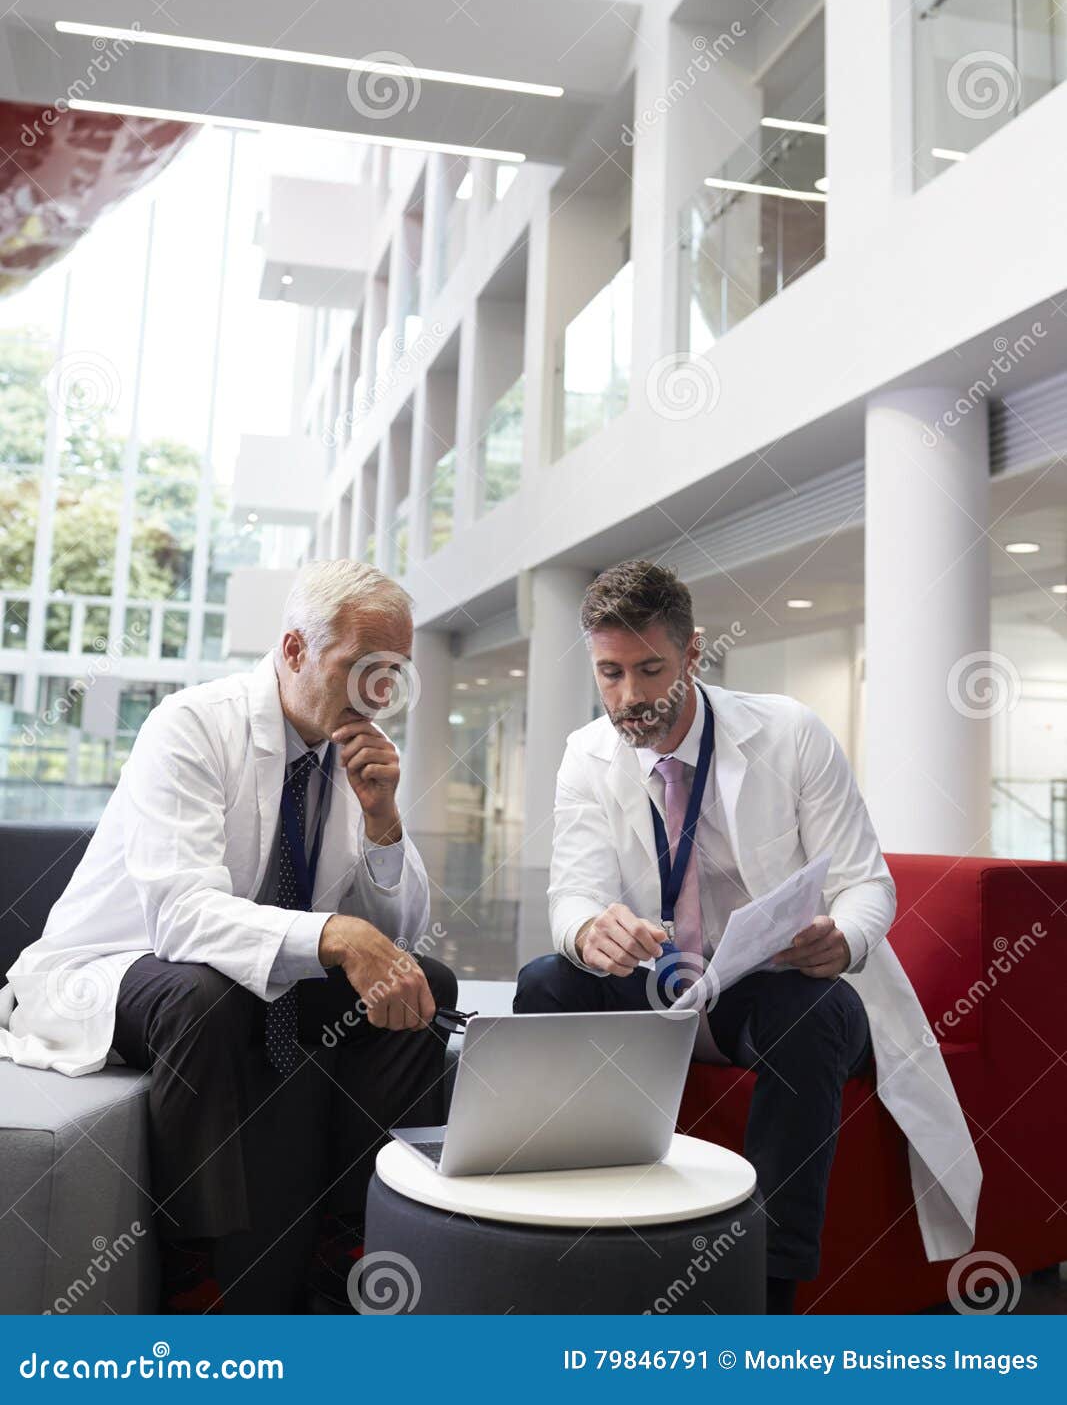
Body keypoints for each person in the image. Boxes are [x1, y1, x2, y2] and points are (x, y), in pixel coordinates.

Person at [515, 560, 981, 1313]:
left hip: (771, 992)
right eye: (609, 673)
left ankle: (764, 1287)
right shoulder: (585, 754)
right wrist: (586, 932)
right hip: (661, 987)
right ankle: (564, 1237)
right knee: (544, 980)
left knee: (813, 1010)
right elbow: (571, 892)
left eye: (650, 669)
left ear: (693, 653)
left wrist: (844, 939)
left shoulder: (789, 733)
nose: (629, 697)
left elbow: (867, 883)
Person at [0, 559, 456, 1314]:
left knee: (423, 983)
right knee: (202, 994)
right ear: (293, 649)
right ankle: (194, 1273)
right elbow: (181, 916)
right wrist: (335, 933)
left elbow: (395, 935)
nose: (378, 694)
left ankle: (347, 1245)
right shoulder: (191, 725)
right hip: (121, 969)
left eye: (392, 672)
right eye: (360, 667)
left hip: (251, 984)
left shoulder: (352, 761)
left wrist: (383, 821)